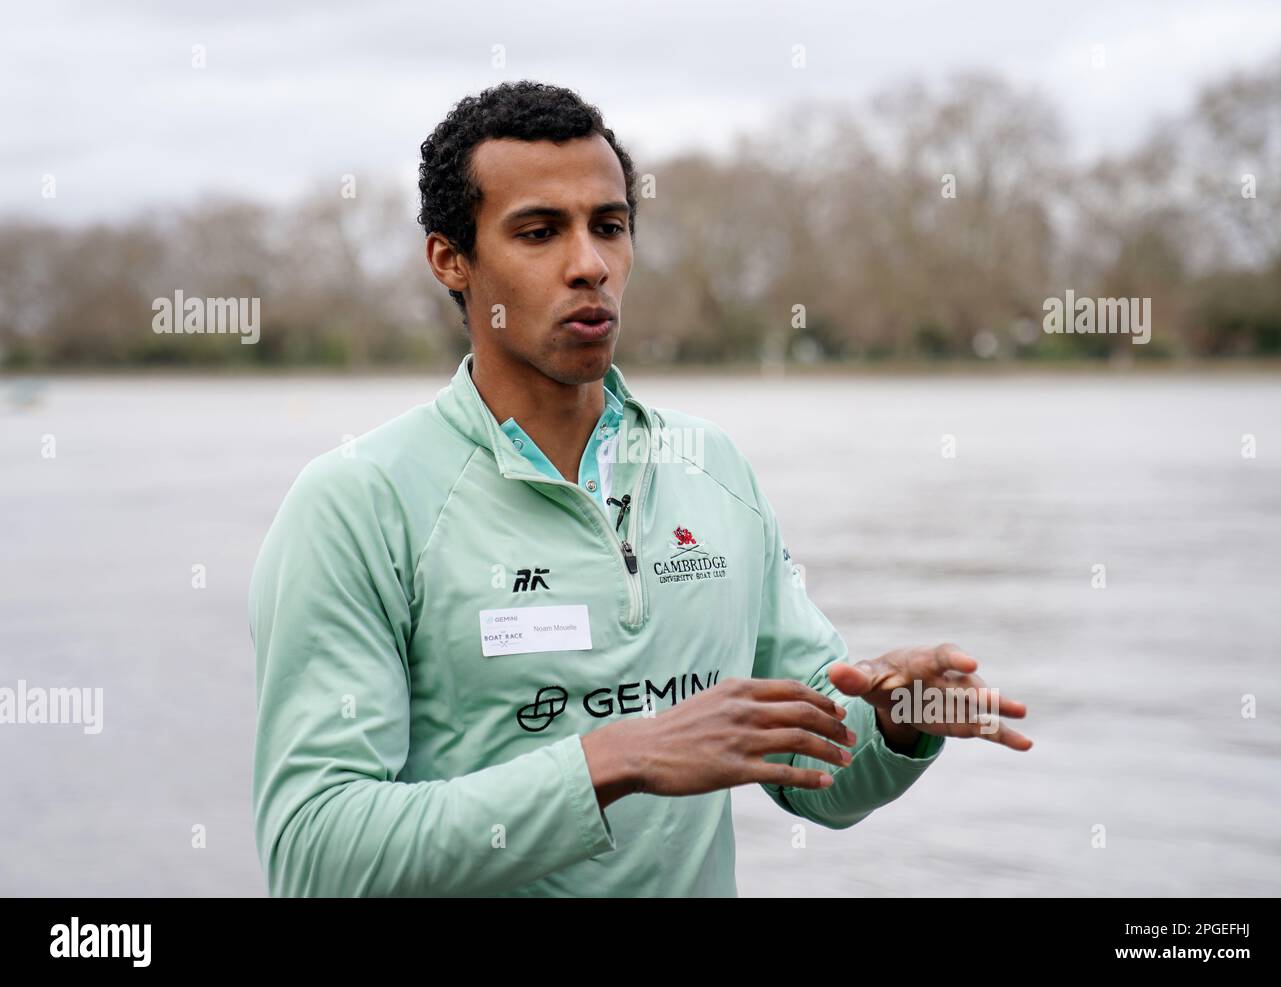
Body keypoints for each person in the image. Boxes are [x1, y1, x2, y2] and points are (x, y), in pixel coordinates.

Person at [248, 80, 1031, 898]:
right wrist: (617, 758)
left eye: (610, 227)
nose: (589, 264)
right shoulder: (356, 503)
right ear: (451, 258)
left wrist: (894, 723)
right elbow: (318, 854)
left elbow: (816, 767)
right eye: (540, 231)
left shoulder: (712, 466)